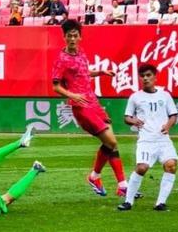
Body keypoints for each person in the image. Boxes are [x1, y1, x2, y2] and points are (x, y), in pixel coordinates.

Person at [52, 20, 133, 198]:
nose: (72, 38)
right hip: (80, 106)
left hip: (93, 102)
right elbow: (56, 86)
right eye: (69, 35)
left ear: (80, 37)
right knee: (110, 142)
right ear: (64, 37)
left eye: (75, 35)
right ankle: (97, 177)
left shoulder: (81, 53)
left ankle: (121, 185)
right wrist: (72, 95)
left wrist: (101, 72)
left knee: (111, 142)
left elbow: (83, 73)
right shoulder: (61, 59)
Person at [118, 63, 178, 211]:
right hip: (146, 140)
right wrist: (133, 120)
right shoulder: (135, 97)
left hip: (163, 139)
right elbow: (127, 117)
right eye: (142, 76)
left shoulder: (164, 95)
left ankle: (160, 203)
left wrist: (168, 126)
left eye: (148, 75)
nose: (145, 78)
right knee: (142, 168)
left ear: (155, 77)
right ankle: (128, 201)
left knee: (171, 165)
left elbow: (173, 115)